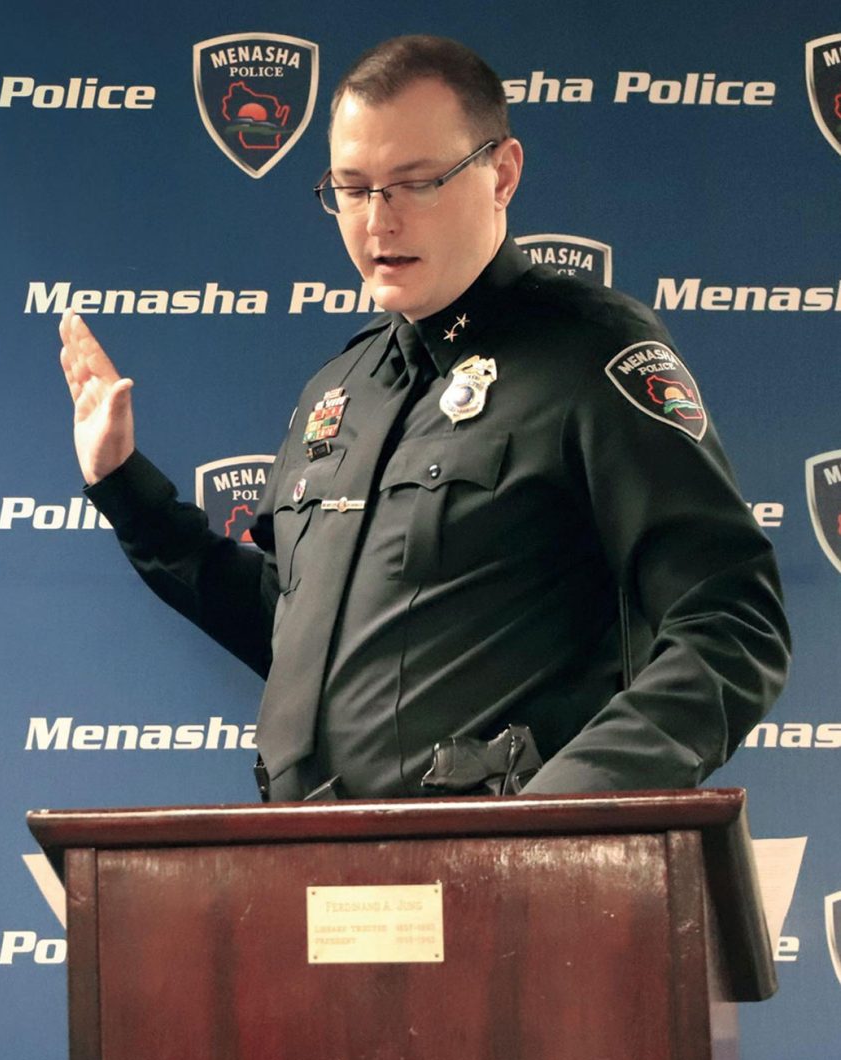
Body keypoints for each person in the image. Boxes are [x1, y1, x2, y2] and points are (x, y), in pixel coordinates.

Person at [60, 35, 790, 802]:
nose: (379, 222)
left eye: (415, 183)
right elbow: (289, 633)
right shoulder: (336, 390)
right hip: (302, 857)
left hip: (504, 866)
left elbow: (733, 623)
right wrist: (125, 489)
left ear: (502, 174)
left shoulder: (591, 354)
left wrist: (555, 816)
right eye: (352, 189)